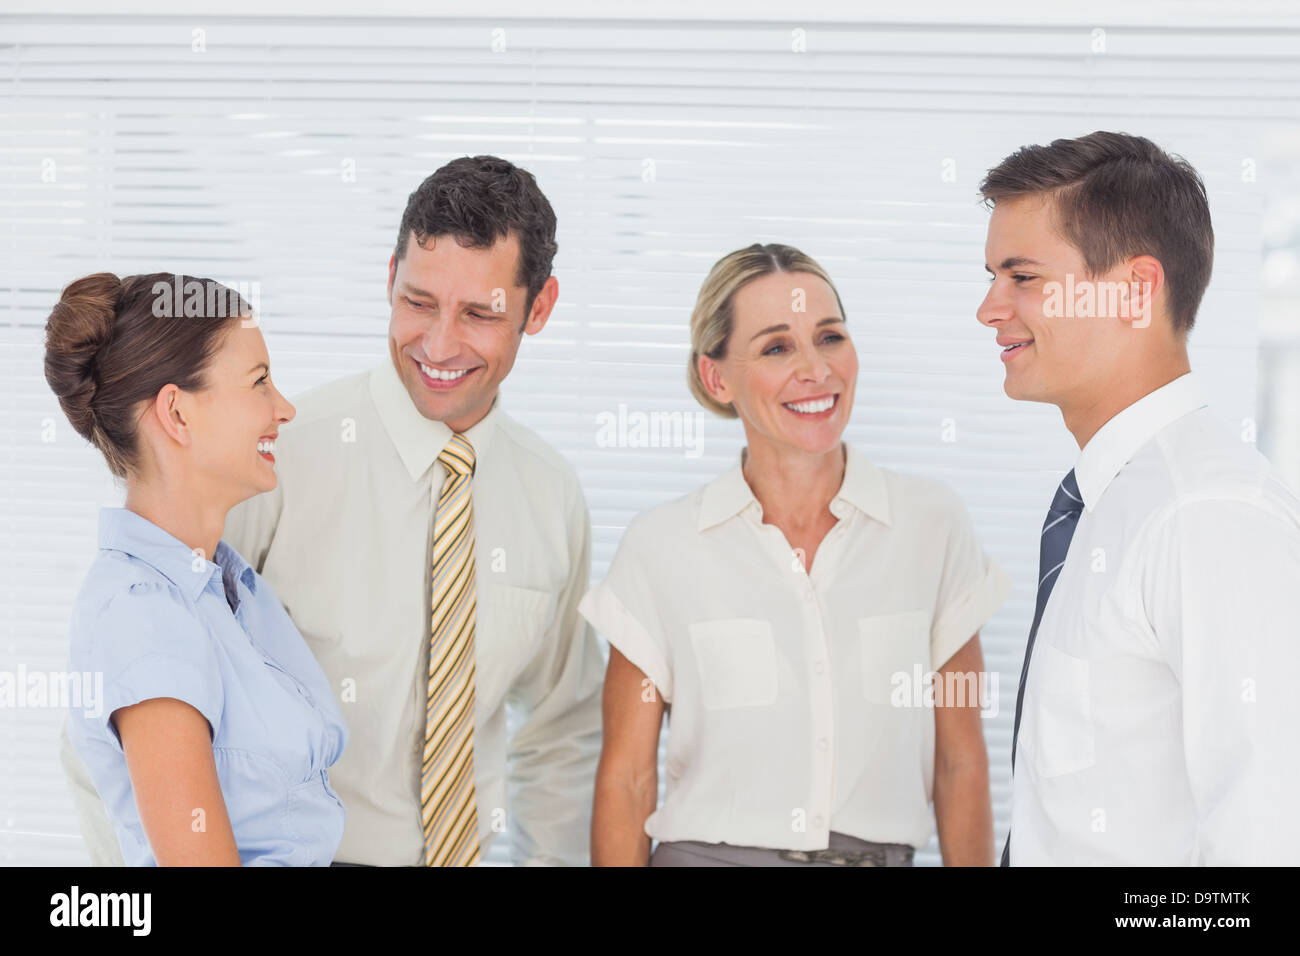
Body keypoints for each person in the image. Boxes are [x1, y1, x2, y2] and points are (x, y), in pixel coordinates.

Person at [61, 155, 605, 867]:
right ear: (389, 278)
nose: (440, 344)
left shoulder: (551, 495)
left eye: (479, 313)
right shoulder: (267, 467)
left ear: (540, 307)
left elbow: (560, 730)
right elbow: (123, 736)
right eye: (418, 302)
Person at [582, 243, 1009, 867]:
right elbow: (627, 781)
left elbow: (960, 763)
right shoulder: (661, 547)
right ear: (716, 378)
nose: (815, 369)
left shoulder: (932, 527)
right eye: (777, 348)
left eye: (829, 337)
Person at [978, 131, 1300, 865]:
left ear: (1133, 290)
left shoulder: (1209, 516)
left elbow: (1269, 843)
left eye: (1022, 276)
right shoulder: (1105, 503)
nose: (989, 309)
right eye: (993, 276)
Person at [46, 272, 347, 865]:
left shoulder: (230, 590)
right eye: (259, 382)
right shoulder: (143, 616)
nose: (284, 408)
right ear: (177, 413)